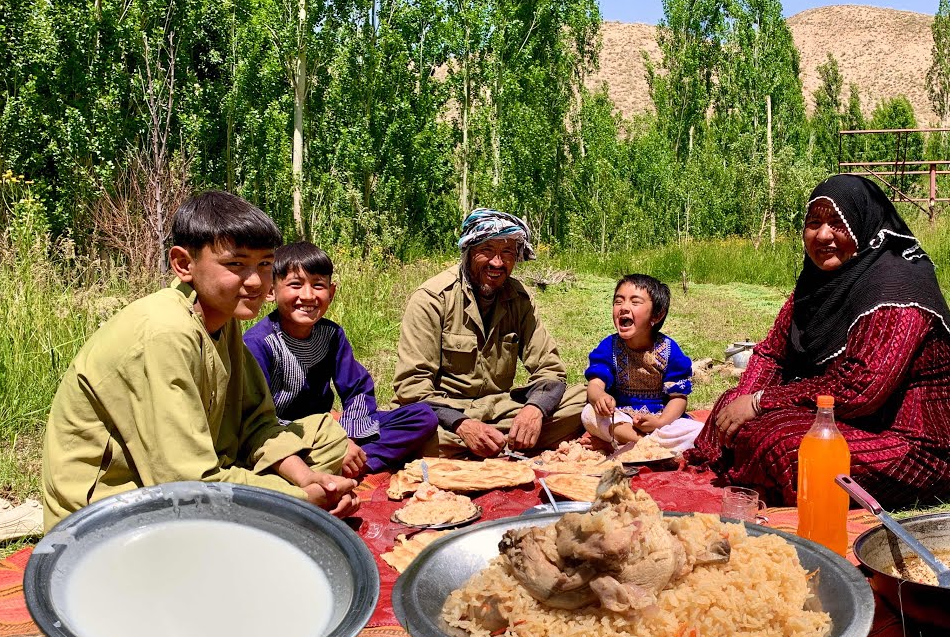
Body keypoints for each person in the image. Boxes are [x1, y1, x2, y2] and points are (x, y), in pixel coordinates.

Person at [41, 192, 362, 531]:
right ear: (183, 264)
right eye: (236, 264)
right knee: (215, 516)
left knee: (326, 435)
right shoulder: (164, 334)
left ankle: (276, 510)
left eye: (265, 264)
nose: (255, 281)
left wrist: (309, 478)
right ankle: (276, 517)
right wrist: (299, 500)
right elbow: (184, 481)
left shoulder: (223, 318)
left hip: (199, 466)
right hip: (111, 509)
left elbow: (257, 422)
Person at [685, 175, 950, 507]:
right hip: (849, 421)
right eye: (813, 223)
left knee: (780, 443)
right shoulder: (818, 282)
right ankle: (720, 471)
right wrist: (745, 397)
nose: (823, 235)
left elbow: (861, 389)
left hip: (912, 445)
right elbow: (772, 354)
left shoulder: (897, 286)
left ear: (864, 224)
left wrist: (761, 402)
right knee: (729, 403)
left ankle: (751, 477)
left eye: (838, 223)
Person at [393, 208, 586, 458]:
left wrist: (534, 410)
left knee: (582, 400)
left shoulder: (520, 298)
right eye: (487, 251)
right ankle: (505, 444)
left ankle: (493, 443)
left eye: (507, 252)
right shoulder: (432, 298)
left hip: (500, 408)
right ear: (469, 252)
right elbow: (412, 386)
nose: (497, 263)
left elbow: (550, 369)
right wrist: (463, 425)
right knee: (409, 431)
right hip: (446, 415)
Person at [244, 242, 438, 472]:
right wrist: (331, 441)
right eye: (295, 285)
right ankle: (337, 466)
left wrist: (351, 437)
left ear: (331, 292)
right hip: (283, 436)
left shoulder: (331, 334)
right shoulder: (259, 343)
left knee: (422, 417)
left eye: (318, 285)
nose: (307, 295)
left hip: (331, 428)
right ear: (270, 291)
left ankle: (350, 463)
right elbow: (258, 421)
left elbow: (357, 389)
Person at [582, 274, 703, 452]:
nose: (624, 307)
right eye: (618, 301)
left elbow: (678, 398)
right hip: (623, 419)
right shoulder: (609, 347)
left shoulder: (670, 350)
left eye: (635, 302)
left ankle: (630, 444)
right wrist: (600, 397)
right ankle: (651, 447)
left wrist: (660, 421)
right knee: (589, 414)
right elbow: (594, 384)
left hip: (661, 422)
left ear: (657, 315)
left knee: (697, 431)